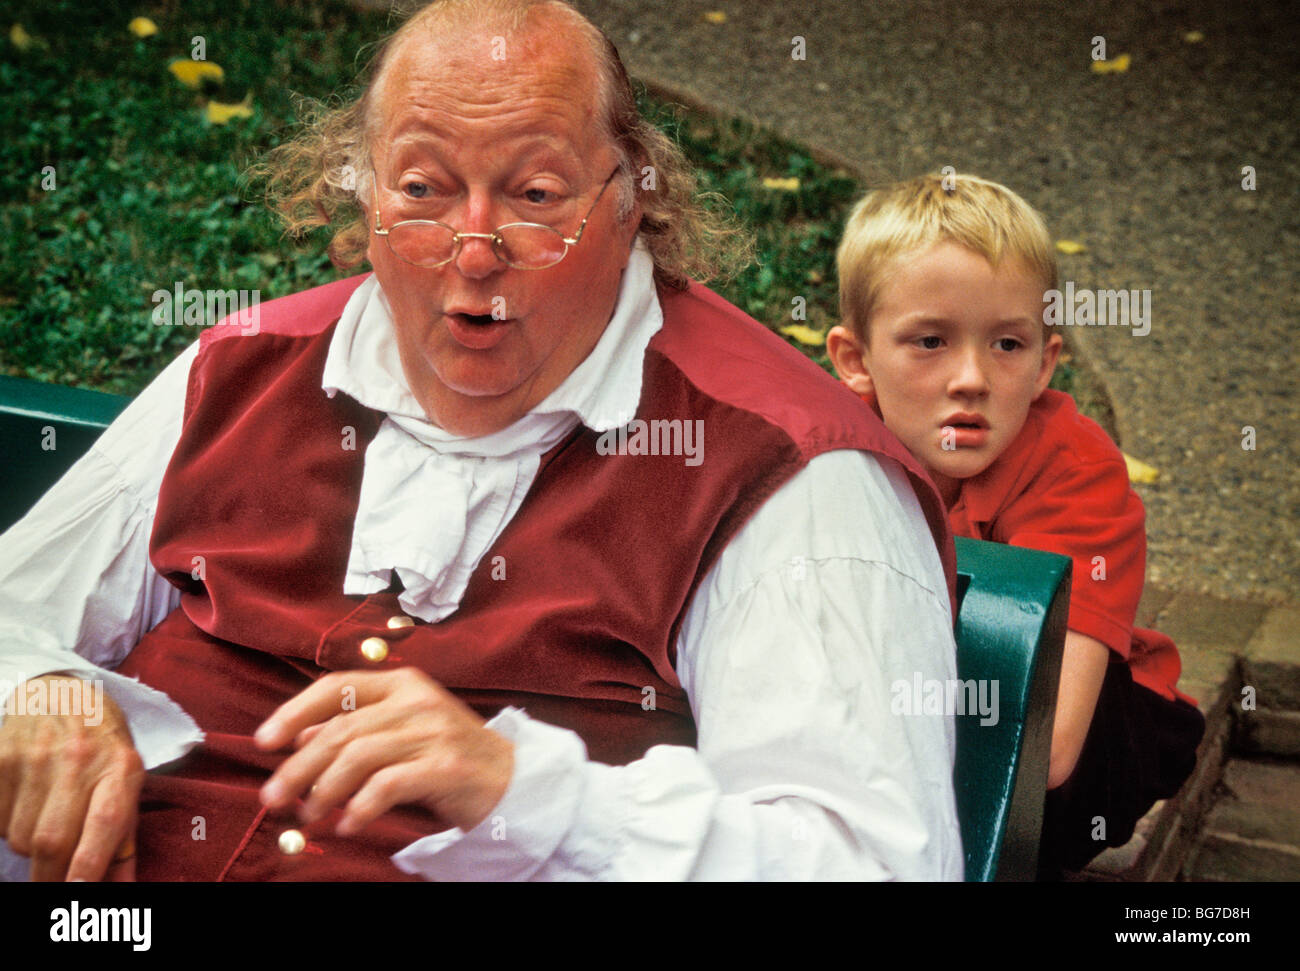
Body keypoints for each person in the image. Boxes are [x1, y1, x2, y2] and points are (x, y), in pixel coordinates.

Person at [0, 1, 963, 881]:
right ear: (363, 195)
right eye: (422, 187)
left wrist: (525, 790)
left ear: (634, 200)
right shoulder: (245, 368)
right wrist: (37, 692)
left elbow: (872, 864)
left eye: (535, 194)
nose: (472, 249)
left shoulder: (793, 472)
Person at [826, 172, 1206, 877]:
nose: (971, 377)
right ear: (856, 360)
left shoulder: (1075, 470)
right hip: (928, 691)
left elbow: (1046, 745)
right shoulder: (832, 450)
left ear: (1044, 364)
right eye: (930, 341)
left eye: (1007, 344)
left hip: (1098, 720)